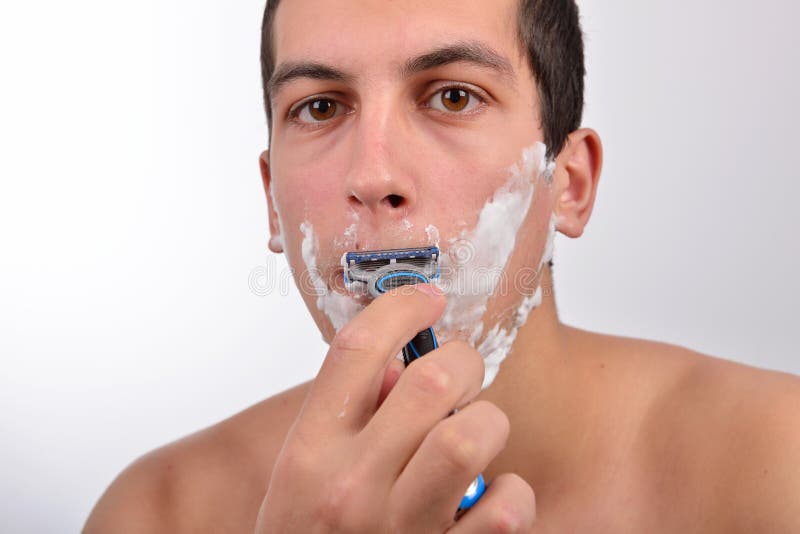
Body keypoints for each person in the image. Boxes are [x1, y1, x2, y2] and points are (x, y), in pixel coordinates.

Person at [84, 0, 800, 532]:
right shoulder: (158, 513)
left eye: (453, 96)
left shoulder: (776, 465)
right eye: (321, 106)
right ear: (273, 203)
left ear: (570, 183)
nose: (373, 174)